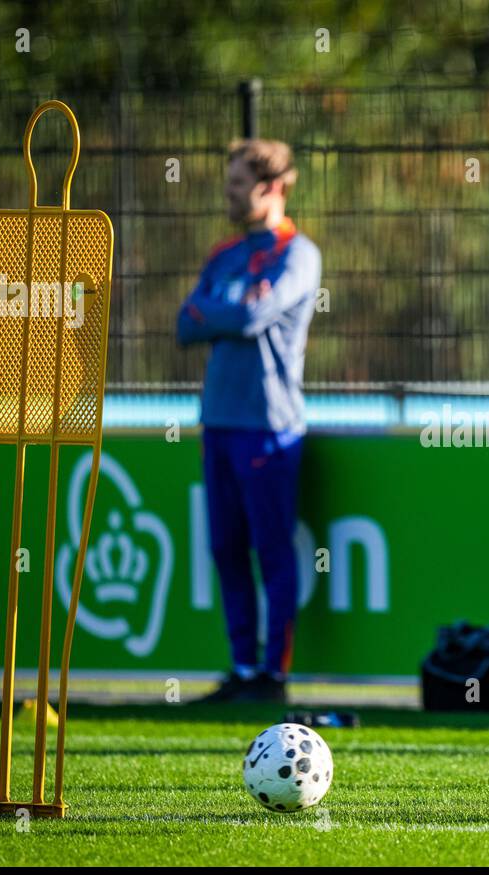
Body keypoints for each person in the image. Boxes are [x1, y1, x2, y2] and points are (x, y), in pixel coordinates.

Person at [177, 139, 322, 704]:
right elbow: (185, 324)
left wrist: (223, 311)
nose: (230, 193)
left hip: (270, 426)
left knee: (272, 550)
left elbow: (253, 313)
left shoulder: (299, 253)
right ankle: (241, 671)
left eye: (239, 183)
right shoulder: (224, 255)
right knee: (226, 548)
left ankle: (272, 676)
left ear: (273, 187)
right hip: (218, 422)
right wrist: (231, 312)